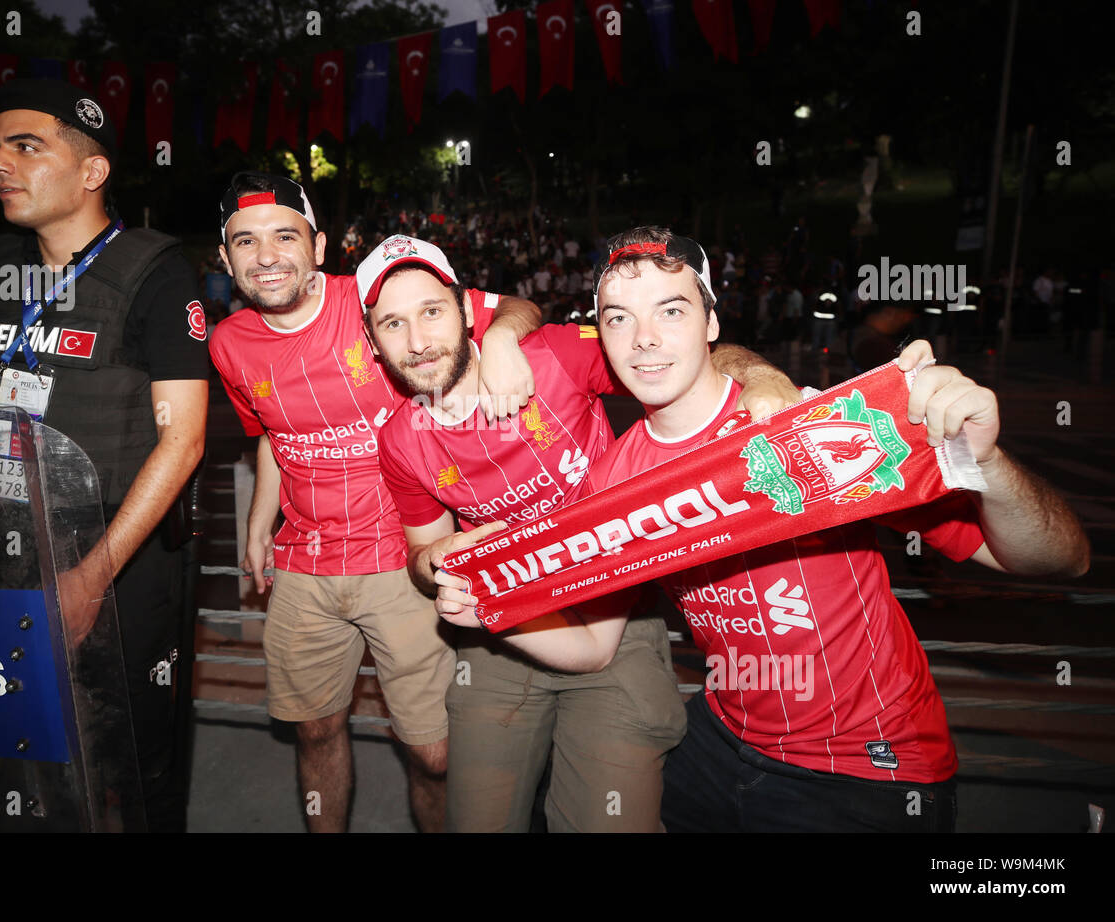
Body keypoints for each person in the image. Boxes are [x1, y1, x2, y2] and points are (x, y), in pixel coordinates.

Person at [437, 226, 1089, 832]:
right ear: (602, 336)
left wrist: (989, 462)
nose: (644, 340)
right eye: (619, 319)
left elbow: (1061, 560)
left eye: (671, 311)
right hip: (722, 743)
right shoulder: (617, 475)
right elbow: (594, 647)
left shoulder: (804, 423)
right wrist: (493, 606)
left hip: (867, 768)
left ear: (712, 321)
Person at [364, 234, 800, 831]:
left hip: (616, 622)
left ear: (468, 310)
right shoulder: (399, 441)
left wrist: (761, 379)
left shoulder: (551, 356)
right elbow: (420, 556)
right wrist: (437, 560)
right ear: (373, 341)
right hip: (500, 634)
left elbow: (670, 354)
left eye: (432, 312)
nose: (416, 342)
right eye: (393, 324)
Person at [208, 174, 542, 833]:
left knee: (434, 751)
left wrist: (502, 341)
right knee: (315, 730)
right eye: (245, 241)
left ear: (319, 245)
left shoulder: (379, 302)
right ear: (225, 259)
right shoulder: (229, 344)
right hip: (303, 565)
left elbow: (513, 308)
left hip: (407, 559)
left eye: (285, 236)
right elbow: (274, 435)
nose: (266, 255)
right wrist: (257, 523)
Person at [0, 78, 209, 831]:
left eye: (25, 146)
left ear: (91, 171)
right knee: (17, 758)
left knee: (130, 766)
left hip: (118, 556)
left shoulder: (155, 272)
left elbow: (184, 440)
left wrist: (92, 578)